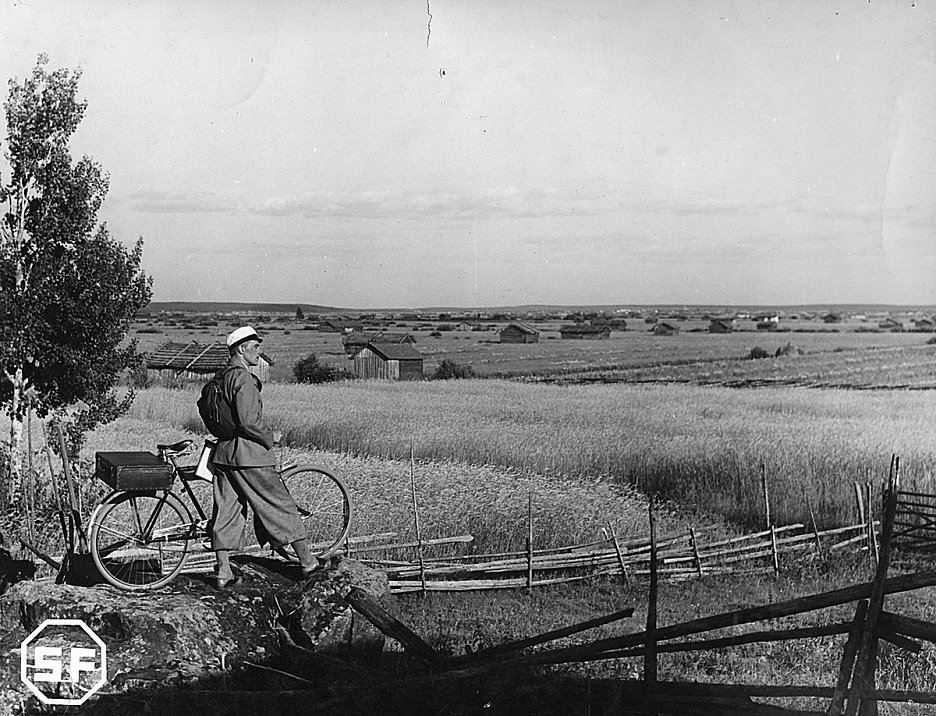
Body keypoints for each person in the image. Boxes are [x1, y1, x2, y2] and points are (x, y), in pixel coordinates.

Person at [209, 326, 323, 589]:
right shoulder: (243, 379)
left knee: (227, 510)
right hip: (249, 456)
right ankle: (308, 562)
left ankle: (224, 571)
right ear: (241, 349)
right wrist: (271, 436)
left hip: (224, 454)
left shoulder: (221, 378)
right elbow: (249, 422)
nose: (259, 352)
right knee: (280, 504)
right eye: (255, 347)